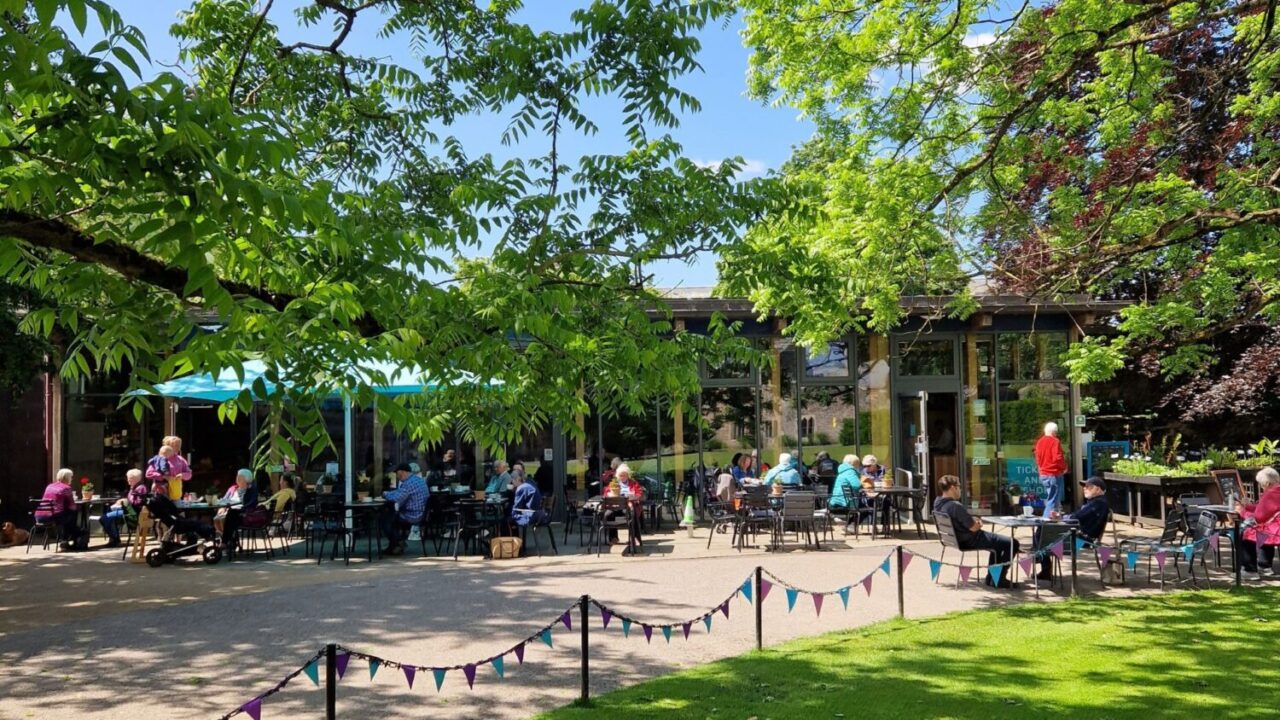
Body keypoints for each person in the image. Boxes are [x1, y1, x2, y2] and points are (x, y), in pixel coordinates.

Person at [934, 474, 1019, 587]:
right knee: (1013, 543)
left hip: (956, 539)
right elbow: (973, 527)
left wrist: (971, 520)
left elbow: (962, 521)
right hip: (971, 539)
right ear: (952, 488)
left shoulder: (938, 503)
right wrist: (979, 523)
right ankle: (1000, 578)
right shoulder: (955, 506)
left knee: (998, 545)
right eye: (959, 486)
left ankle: (993, 578)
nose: (961, 489)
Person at [1038, 476, 1110, 580]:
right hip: (1078, 534)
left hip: (1082, 538)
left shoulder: (1098, 503)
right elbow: (1078, 516)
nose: (1084, 488)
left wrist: (1061, 517)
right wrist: (1061, 517)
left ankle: (1039, 558)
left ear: (1098, 489)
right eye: (1084, 486)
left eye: (1088, 487)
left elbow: (1077, 518)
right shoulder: (1095, 502)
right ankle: (1040, 559)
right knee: (1043, 531)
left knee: (1042, 531)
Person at [1236, 466, 1280, 580]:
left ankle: (1249, 570)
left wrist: (1242, 511)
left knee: (1248, 531)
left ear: (1266, 482)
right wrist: (1248, 507)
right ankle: (1264, 566)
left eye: (1260, 483)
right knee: (1263, 531)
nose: (1260, 486)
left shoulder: (1270, 494)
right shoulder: (1277, 491)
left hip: (1276, 530)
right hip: (1276, 526)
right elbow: (1264, 509)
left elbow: (1258, 518)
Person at [380, 462, 428, 555]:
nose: (397, 476)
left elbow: (397, 498)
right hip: (421, 513)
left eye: (397, 474)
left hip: (412, 515)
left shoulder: (408, 483)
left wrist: (384, 494)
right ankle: (395, 545)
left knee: (385, 519)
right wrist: (389, 494)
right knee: (391, 516)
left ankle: (398, 542)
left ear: (402, 472)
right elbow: (400, 493)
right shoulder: (418, 480)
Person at [35, 468, 85, 551]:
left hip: (39, 516)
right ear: (67, 477)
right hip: (53, 517)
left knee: (67, 516)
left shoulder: (49, 486)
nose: (72, 479)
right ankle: (71, 537)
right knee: (73, 512)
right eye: (71, 477)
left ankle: (67, 540)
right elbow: (72, 506)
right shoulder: (66, 488)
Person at [99, 469, 149, 547]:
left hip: (132, 513)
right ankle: (114, 538)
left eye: (129, 478)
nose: (127, 480)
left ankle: (115, 539)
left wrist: (126, 501)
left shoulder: (141, 488)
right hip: (127, 511)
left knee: (105, 518)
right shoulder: (133, 487)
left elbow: (139, 503)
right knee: (105, 516)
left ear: (135, 478)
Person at [1034, 421, 1067, 518]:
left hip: (1043, 474)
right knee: (1052, 499)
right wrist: (1064, 467)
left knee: (1054, 498)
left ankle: (1056, 520)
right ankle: (1046, 521)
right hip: (1053, 473)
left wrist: (1041, 469)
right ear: (1054, 432)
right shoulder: (1055, 441)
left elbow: (1038, 458)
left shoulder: (1039, 441)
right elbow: (1058, 457)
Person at [161, 436, 192, 501]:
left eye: (179, 445)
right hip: (161, 492)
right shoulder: (159, 458)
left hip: (175, 492)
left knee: (176, 510)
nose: (179, 448)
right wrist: (164, 476)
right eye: (176, 445)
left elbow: (189, 474)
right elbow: (149, 474)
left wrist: (182, 475)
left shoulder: (180, 459)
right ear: (168, 446)